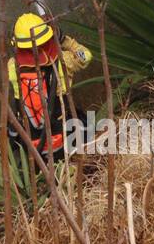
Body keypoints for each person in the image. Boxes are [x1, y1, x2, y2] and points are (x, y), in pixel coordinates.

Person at [7, 12, 92, 159]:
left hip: (34, 141)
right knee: (88, 125)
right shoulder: (63, 60)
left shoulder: (12, 66)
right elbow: (85, 56)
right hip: (65, 135)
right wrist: (63, 40)